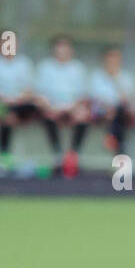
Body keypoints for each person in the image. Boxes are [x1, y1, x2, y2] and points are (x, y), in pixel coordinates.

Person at [0, 31, 37, 177]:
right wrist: (3, 98)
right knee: (6, 116)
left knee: (29, 109)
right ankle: (5, 158)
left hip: (19, 103)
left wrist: (16, 99)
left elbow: (30, 91)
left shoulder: (24, 63)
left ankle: (10, 159)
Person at [33, 34, 91, 178]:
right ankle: (58, 156)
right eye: (59, 49)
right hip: (51, 108)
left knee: (83, 116)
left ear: (71, 51)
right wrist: (50, 108)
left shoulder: (79, 68)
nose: (62, 52)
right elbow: (39, 94)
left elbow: (83, 96)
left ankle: (72, 156)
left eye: (65, 49)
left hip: (72, 108)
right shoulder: (45, 67)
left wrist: (71, 108)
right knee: (48, 116)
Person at [89, 46, 135, 154]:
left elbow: (126, 99)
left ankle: (111, 137)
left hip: (120, 111)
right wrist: (109, 108)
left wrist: (115, 79)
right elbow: (95, 98)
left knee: (119, 111)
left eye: (115, 58)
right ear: (104, 60)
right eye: (110, 58)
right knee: (116, 114)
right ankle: (120, 151)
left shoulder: (126, 76)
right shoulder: (97, 76)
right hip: (101, 110)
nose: (112, 61)